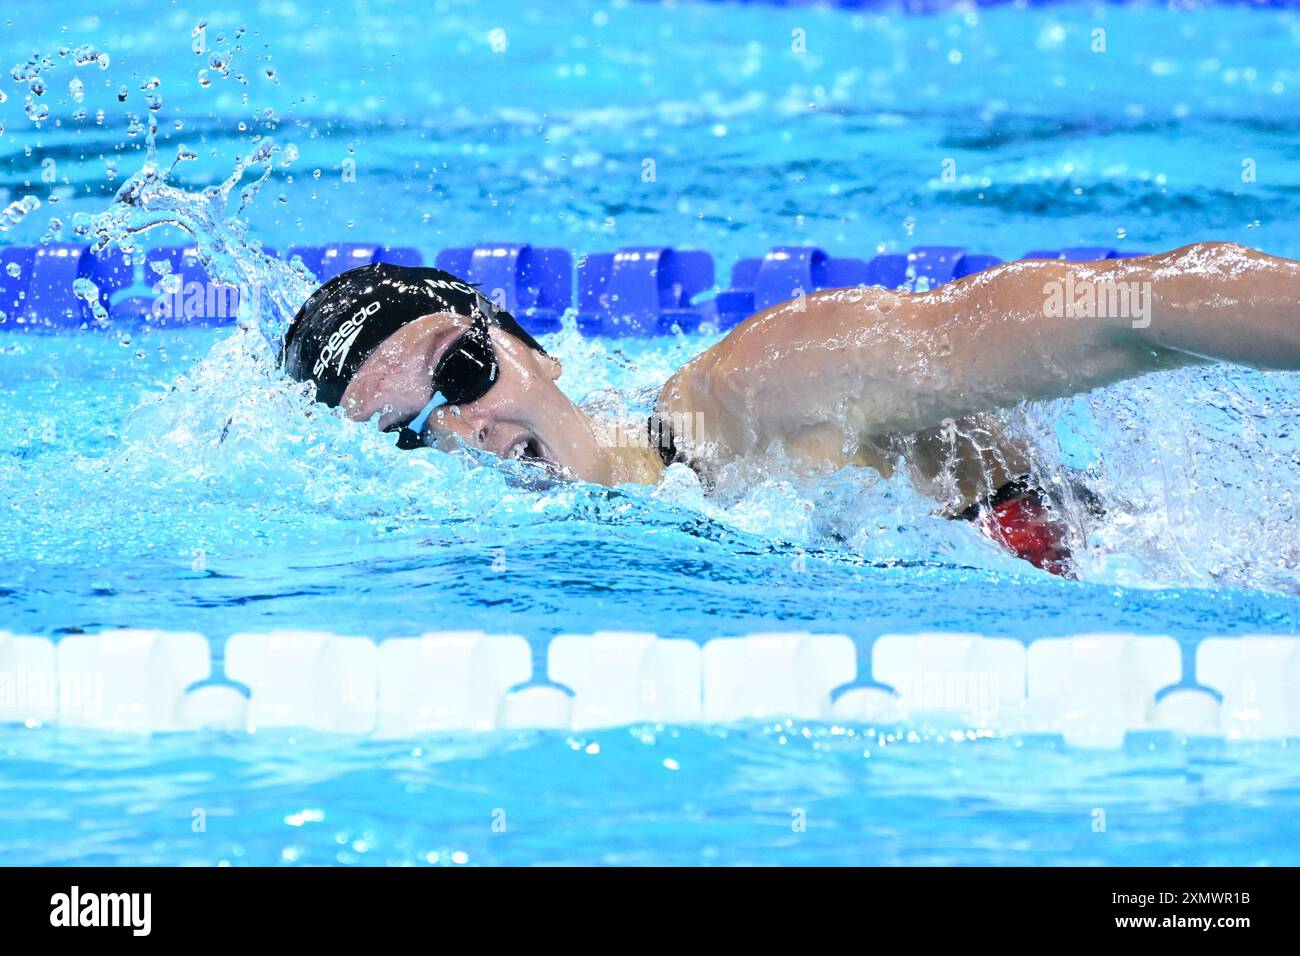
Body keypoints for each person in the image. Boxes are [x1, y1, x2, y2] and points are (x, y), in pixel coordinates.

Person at [280, 243, 1300, 575]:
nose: (468, 429)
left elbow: (1131, 307)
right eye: (410, 436)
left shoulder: (764, 388)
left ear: (523, 344)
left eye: (459, 375)